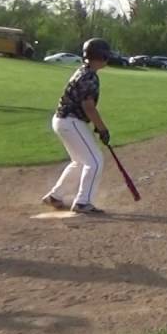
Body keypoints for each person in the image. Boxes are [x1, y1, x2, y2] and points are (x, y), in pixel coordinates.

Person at [41, 38, 114, 214]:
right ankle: (83, 202)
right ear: (101, 56)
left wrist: (98, 127)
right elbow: (88, 107)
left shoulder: (84, 71)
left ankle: (56, 196)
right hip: (71, 122)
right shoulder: (89, 76)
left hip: (64, 121)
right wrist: (102, 128)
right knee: (95, 161)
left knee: (80, 162)